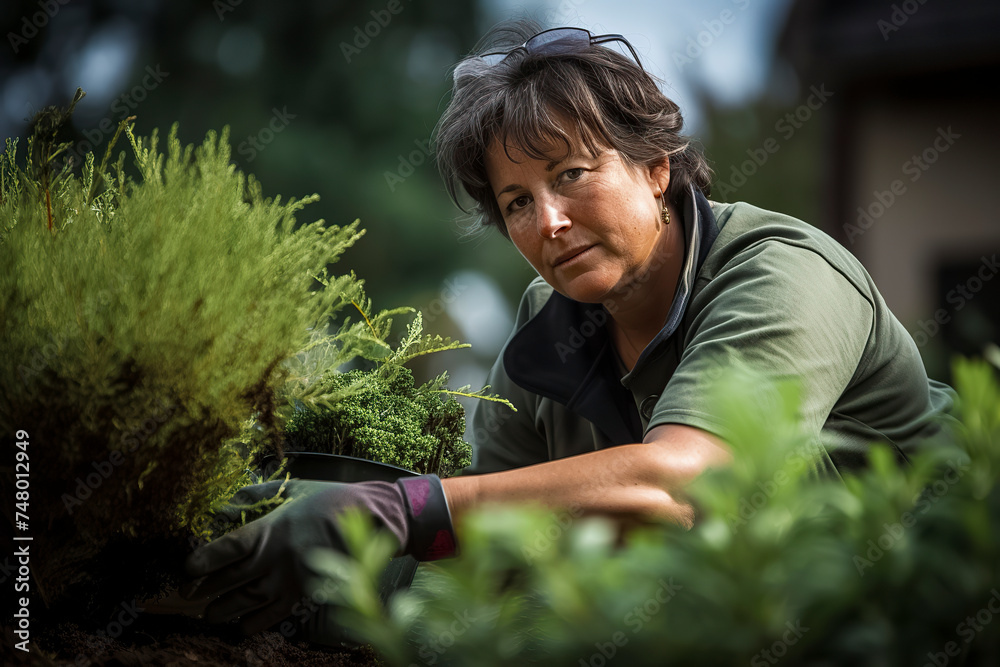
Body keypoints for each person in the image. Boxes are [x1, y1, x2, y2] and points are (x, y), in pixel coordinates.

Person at [180, 20, 955, 634]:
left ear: (658, 167)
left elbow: (691, 482)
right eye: (516, 202)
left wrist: (406, 508)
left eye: (570, 175)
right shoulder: (546, 328)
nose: (547, 220)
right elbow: (494, 557)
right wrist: (338, 570)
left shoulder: (781, 271)